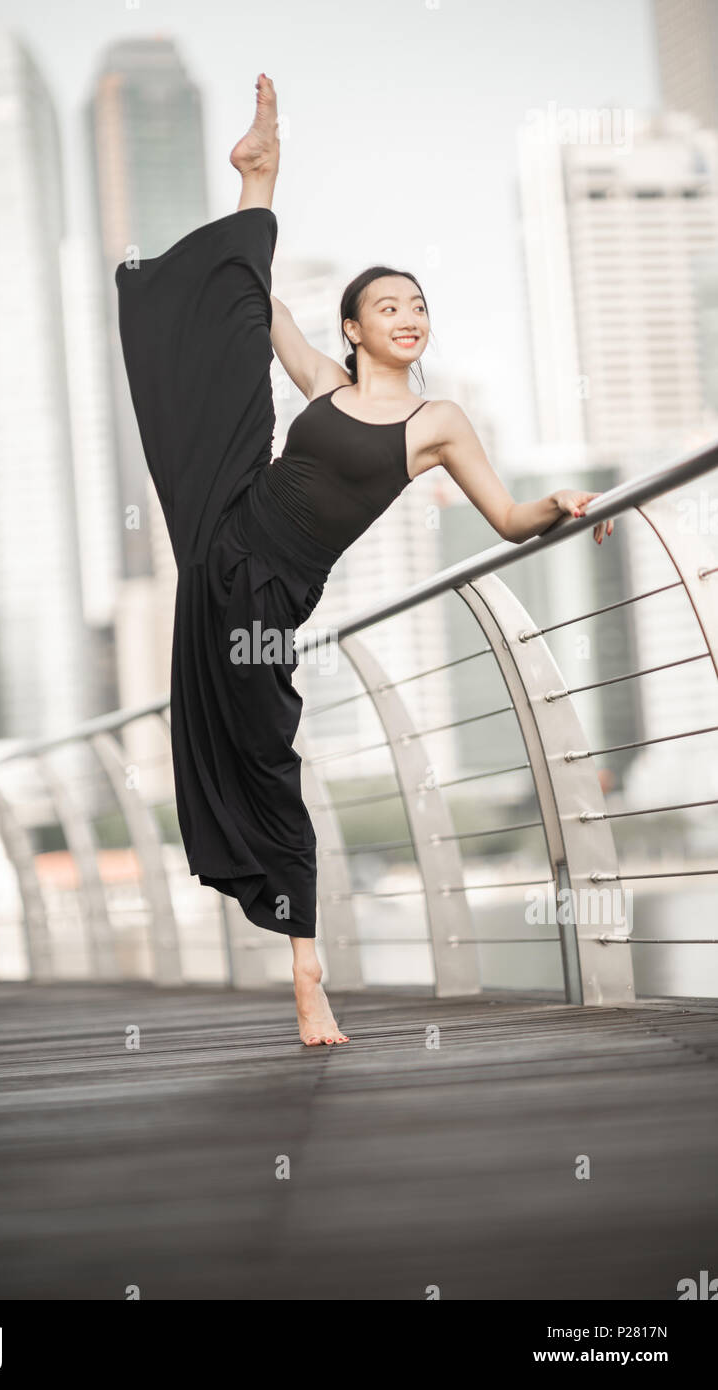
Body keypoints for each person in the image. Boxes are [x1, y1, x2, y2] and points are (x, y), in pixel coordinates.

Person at [115, 74, 613, 1048]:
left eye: (417, 305)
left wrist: (559, 503)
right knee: (228, 375)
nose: (407, 316)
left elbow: (508, 516)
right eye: (387, 305)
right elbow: (251, 310)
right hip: (222, 537)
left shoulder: (438, 422)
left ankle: (305, 972)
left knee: (267, 761)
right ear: (354, 326)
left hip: (267, 604)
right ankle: (256, 173)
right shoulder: (320, 381)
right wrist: (263, 186)